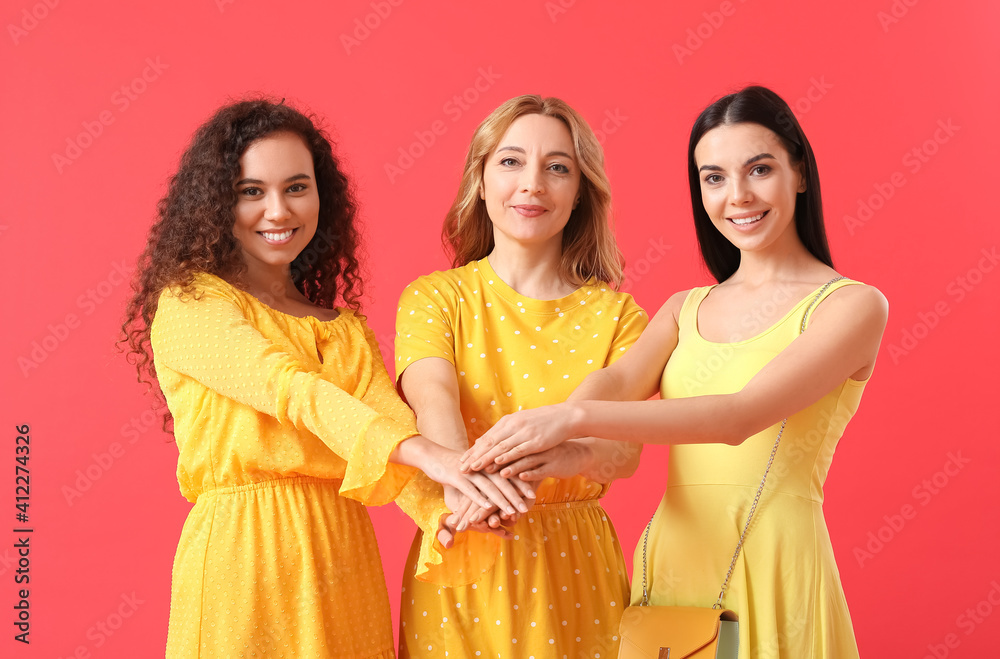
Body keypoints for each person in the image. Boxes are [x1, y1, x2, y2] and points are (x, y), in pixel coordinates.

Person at [462, 85, 888, 658]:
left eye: (758, 169)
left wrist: (568, 418)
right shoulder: (684, 307)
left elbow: (739, 416)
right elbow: (616, 384)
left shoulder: (851, 306)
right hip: (671, 562)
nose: (737, 196)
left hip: (772, 559)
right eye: (713, 177)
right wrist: (524, 465)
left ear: (800, 173)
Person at [119, 99, 522, 658]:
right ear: (216, 202)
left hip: (342, 558)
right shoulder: (191, 305)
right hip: (246, 559)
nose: (279, 211)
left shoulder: (343, 328)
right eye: (251, 191)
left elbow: (389, 420)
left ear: (321, 195)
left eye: (296, 187)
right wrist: (433, 455)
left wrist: (453, 510)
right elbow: (291, 389)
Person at [394, 94, 649, 658]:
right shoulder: (435, 299)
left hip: (576, 569)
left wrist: (565, 458)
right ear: (480, 182)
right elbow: (432, 401)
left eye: (557, 167)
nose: (532, 183)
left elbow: (625, 451)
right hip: (465, 543)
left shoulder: (620, 318)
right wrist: (473, 490)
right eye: (510, 162)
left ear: (580, 191)